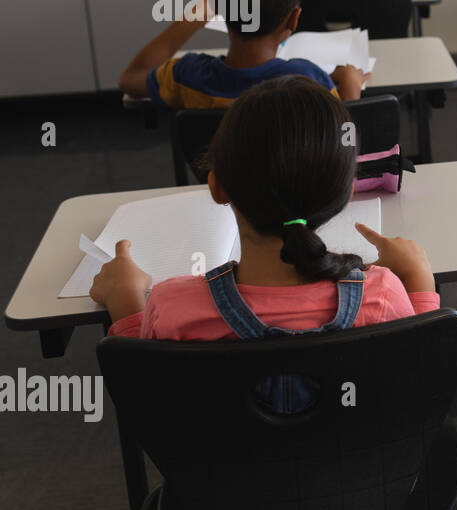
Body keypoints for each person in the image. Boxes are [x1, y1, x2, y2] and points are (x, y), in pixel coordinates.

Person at [90, 75, 438, 414]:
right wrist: (419, 280)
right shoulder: (382, 298)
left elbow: (146, 399)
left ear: (216, 188)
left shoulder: (172, 310)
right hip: (370, 471)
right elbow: (422, 381)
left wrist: (126, 305)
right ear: (347, 193)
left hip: (217, 474)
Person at [118, 0, 367, 108]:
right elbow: (347, 150)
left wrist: (198, 13)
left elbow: (130, 79)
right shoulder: (310, 83)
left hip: (217, 185)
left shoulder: (186, 77)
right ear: (294, 19)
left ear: (221, 8)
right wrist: (350, 86)